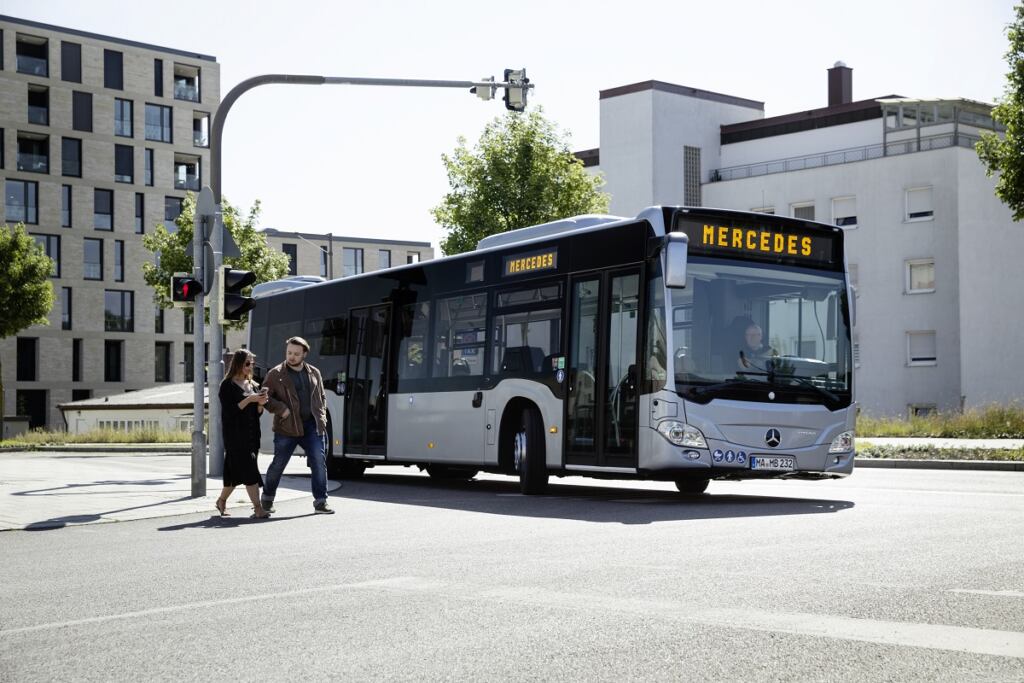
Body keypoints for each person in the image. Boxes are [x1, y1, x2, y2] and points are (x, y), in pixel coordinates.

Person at [260, 336, 334, 514]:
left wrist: (322, 416)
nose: (291, 357)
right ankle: (267, 499)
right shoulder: (275, 374)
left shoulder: (314, 372)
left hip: (312, 426)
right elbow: (264, 397)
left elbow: (322, 396)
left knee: (318, 461)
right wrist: (282, 410)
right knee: (279, 464)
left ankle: (321, 502)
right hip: (287, 427)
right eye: (289, 353)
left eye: (296, 354)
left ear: (304, 354)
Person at [216, 349, 271, 519]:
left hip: (252, 435)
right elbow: (230, 412)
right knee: (250, 470)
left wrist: (260, 403)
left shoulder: (253, 385)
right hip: (235, 436)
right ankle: (258, 508)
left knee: (236, 473)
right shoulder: (227, 385)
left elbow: (257, 414)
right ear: (238, 363)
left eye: (252, 363)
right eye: (247, 363)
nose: (250, 366)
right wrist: (249, 399)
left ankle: (221, 501)